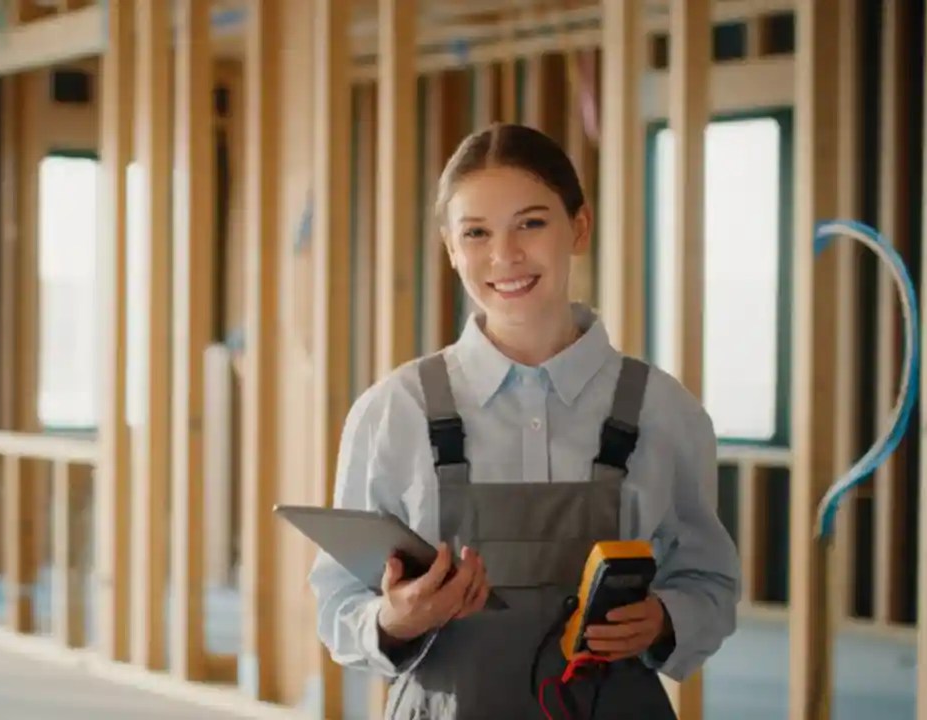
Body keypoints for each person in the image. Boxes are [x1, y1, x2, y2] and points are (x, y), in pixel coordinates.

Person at [307, 123, 740, 719]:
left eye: (531, 224)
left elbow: (711, 583)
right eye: (476, 233)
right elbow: (336, 603)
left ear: (578, 227)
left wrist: (666, 618)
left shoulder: (664, 411)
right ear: (451, 248)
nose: (504, 256)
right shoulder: (394, 411)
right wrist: (391, 619)